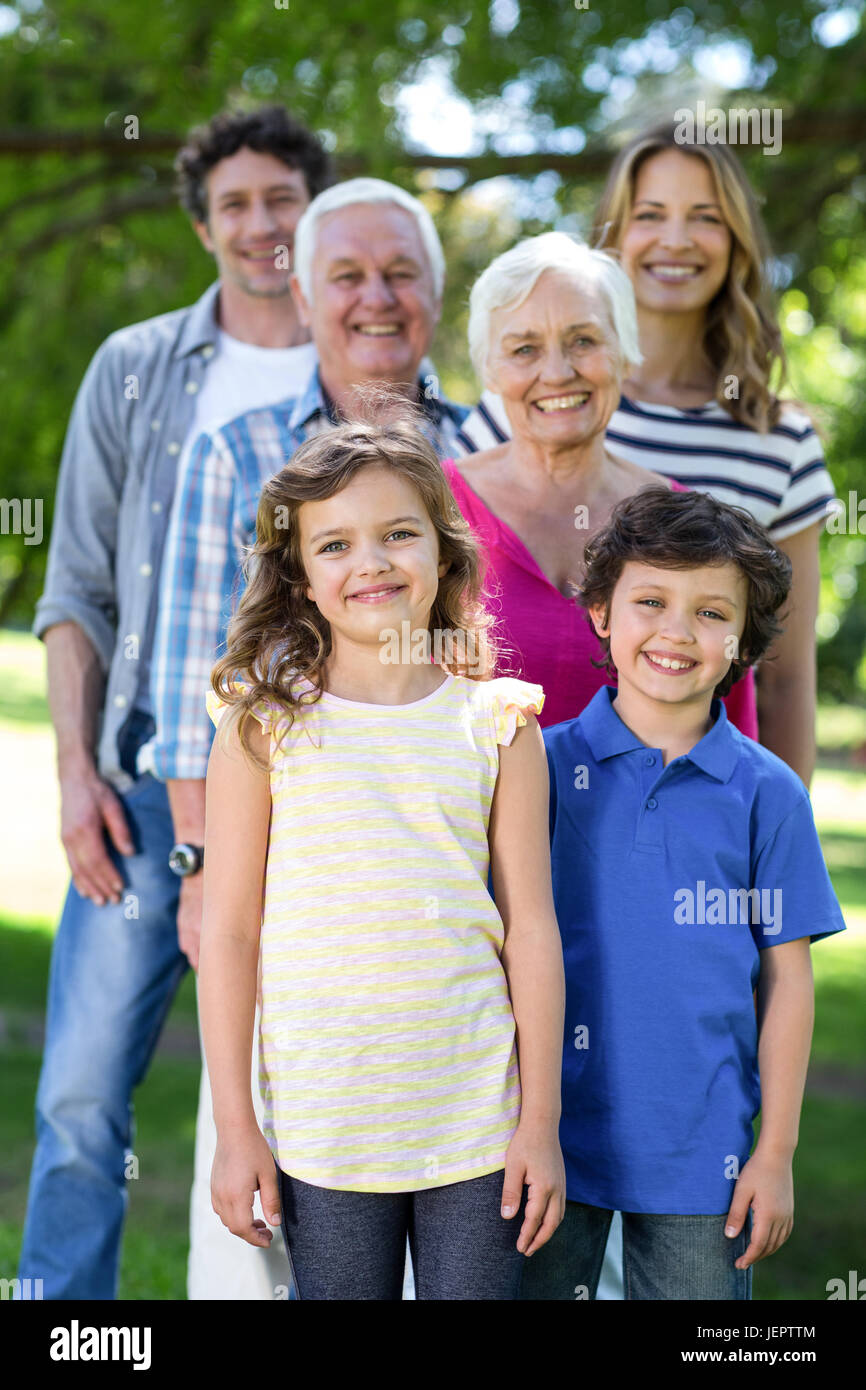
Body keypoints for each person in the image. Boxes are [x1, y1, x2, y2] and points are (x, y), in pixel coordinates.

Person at [18, 104, 333, 1301]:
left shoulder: (358, 359)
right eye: (237, 204)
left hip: (306, 805)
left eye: (283, 201)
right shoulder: (137, 367)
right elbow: (77, 588)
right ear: (203, 223)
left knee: (286, 1088)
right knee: (87, 1088)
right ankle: (65, 1320)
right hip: (148, 797)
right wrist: (74, 772)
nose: (262, 226)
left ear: (316, 213)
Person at [148, 176, 468, 1298]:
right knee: (262, 1238)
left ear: (435, 291)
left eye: (400, 273)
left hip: (446, 900)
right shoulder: (233, 448)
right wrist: (201, 865)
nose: (376, 298)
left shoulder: (481, 448)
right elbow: (196, 663)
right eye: (347, 275)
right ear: (303, 286)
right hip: (282, 888)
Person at [197, 413, 566, 1299]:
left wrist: (541, 1122)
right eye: (335, 545)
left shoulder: (501, 723)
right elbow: (231, 934)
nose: (371, 562)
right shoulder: (263, 729)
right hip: (325, 1127)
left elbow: (533, 931)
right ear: (302, 580)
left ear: (443, 553)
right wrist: (237, 1132)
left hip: (479, 1124)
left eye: (399, 533)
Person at [521, 486, 845, 1300]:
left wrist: (774, 1155)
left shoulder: (770, 794)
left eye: (710, 613)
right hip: (547, 1137)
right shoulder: (537, 768)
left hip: (707, 1158)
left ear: (743, 640)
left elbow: (790, 982)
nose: (676, 632)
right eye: (652, 601)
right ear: (600, 611)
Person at [455, 125, 838, 786]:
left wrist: (773, 845)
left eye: (705, 217)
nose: (677, 239)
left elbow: (781, 684)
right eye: (651, 215)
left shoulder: (777, 440)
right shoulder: (511, 418)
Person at [441, 231, 756, 736]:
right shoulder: (427, 510)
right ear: (491, 372)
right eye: (524, 348)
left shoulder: (691, 528)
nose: (558, 371)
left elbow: (729, 734)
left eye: (583, 341)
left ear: (626, 355)